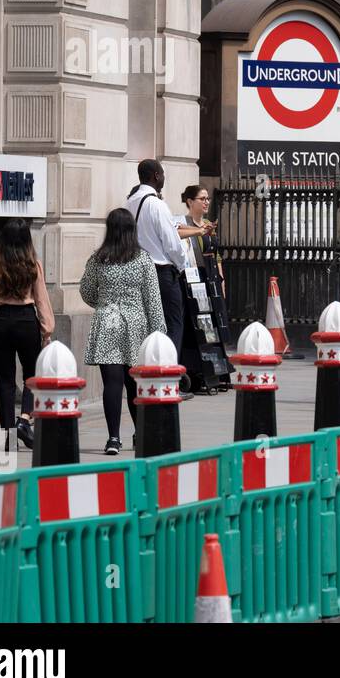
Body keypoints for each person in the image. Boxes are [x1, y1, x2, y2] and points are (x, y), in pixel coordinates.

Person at [80, 208, 166, 456]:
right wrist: (159, 333)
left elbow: (86, 291)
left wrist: (103, 304)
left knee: (112, 384)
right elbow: (153, 300)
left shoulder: (99, 259)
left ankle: (113, 438)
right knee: (134, 384)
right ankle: (141, 433)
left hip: (107, 322)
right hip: (136, 324)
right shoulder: (142, 260)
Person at [0, 218, 54, 451]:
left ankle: (9, 433)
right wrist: (47, 329)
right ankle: (24, 420)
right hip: (25, 320)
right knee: (32, 376)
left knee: (5, 380)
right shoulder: (33, 264)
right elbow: (41, 299)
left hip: (1, 321)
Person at [126, 159, 189, 362]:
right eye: (162, 174)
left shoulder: (129, 202)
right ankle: (168, 373)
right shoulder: (156, 204)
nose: (163, 178)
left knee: (147, 325)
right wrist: (181, 266)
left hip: (136, 271)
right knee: (173, 323)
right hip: (161, 272)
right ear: (156, 175)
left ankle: (147, 369)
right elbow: (172, 243)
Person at [174, 186, 232, 390]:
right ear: (190, 201)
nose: (207, 202)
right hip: (193, 278)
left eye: (207, 198)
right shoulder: (183, 222)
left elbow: (215, 255)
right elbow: (177, 236)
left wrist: (221, 281)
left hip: (211, 279)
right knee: (196, 325)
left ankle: (216, 368)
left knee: (214, 323)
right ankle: (196, 368)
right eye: (202, 198)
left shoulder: (209, 224)